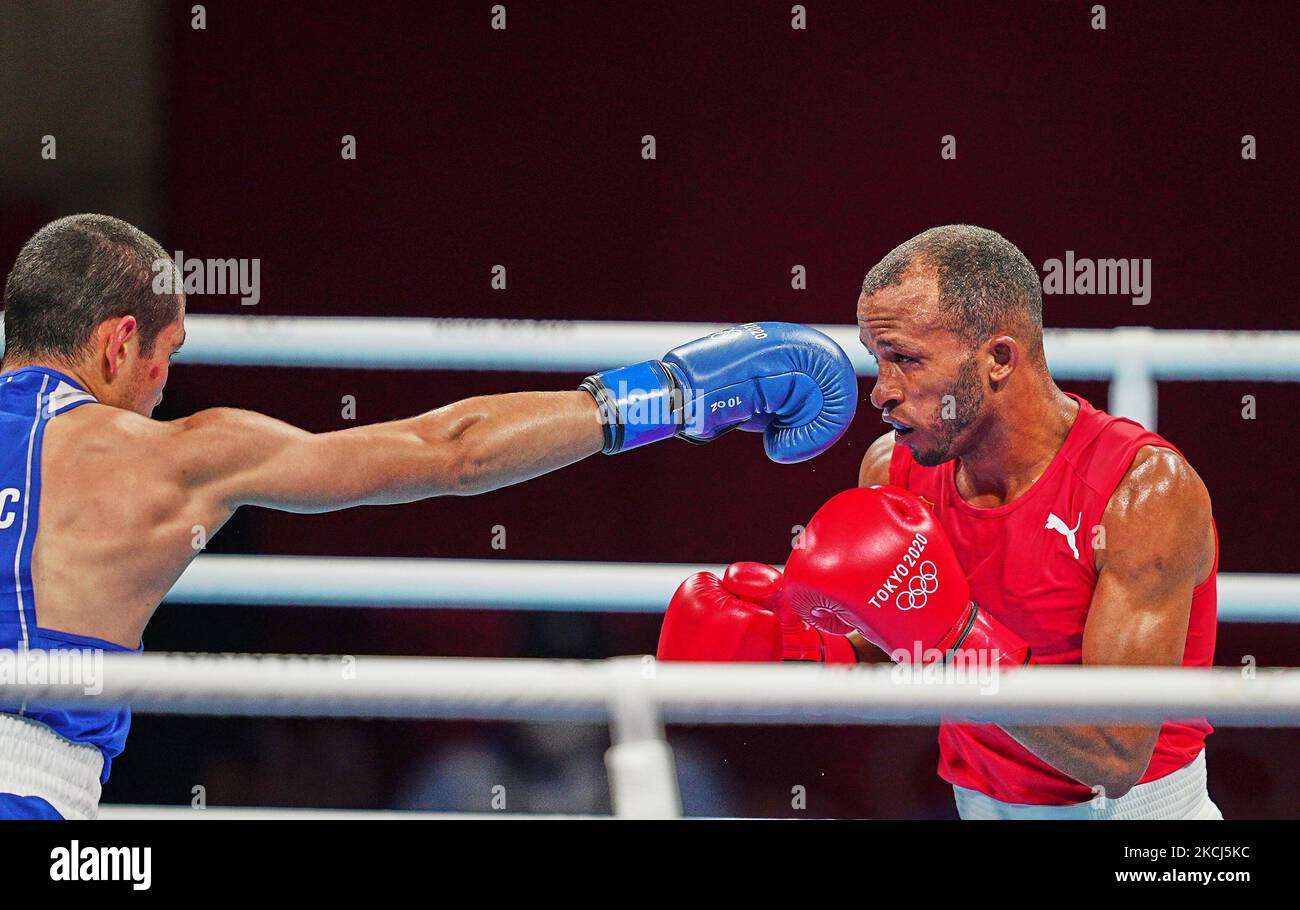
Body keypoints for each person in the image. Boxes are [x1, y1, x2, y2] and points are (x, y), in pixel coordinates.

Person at [0, 213, 858, 819]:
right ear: (120, 343)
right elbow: (450, 452)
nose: (160, 390)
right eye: (168, 358)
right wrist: (670, 393)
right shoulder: (175, 454)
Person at [658, 225, 1220, 820]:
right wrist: (791, 647)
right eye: (878, 360)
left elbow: (1115, 754)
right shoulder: (894, 470)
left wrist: (959, 641)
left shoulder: (1141, 492)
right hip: (976, 806)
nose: (881, 392)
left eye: (906, 360)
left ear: (998, 359)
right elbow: (898, 642)